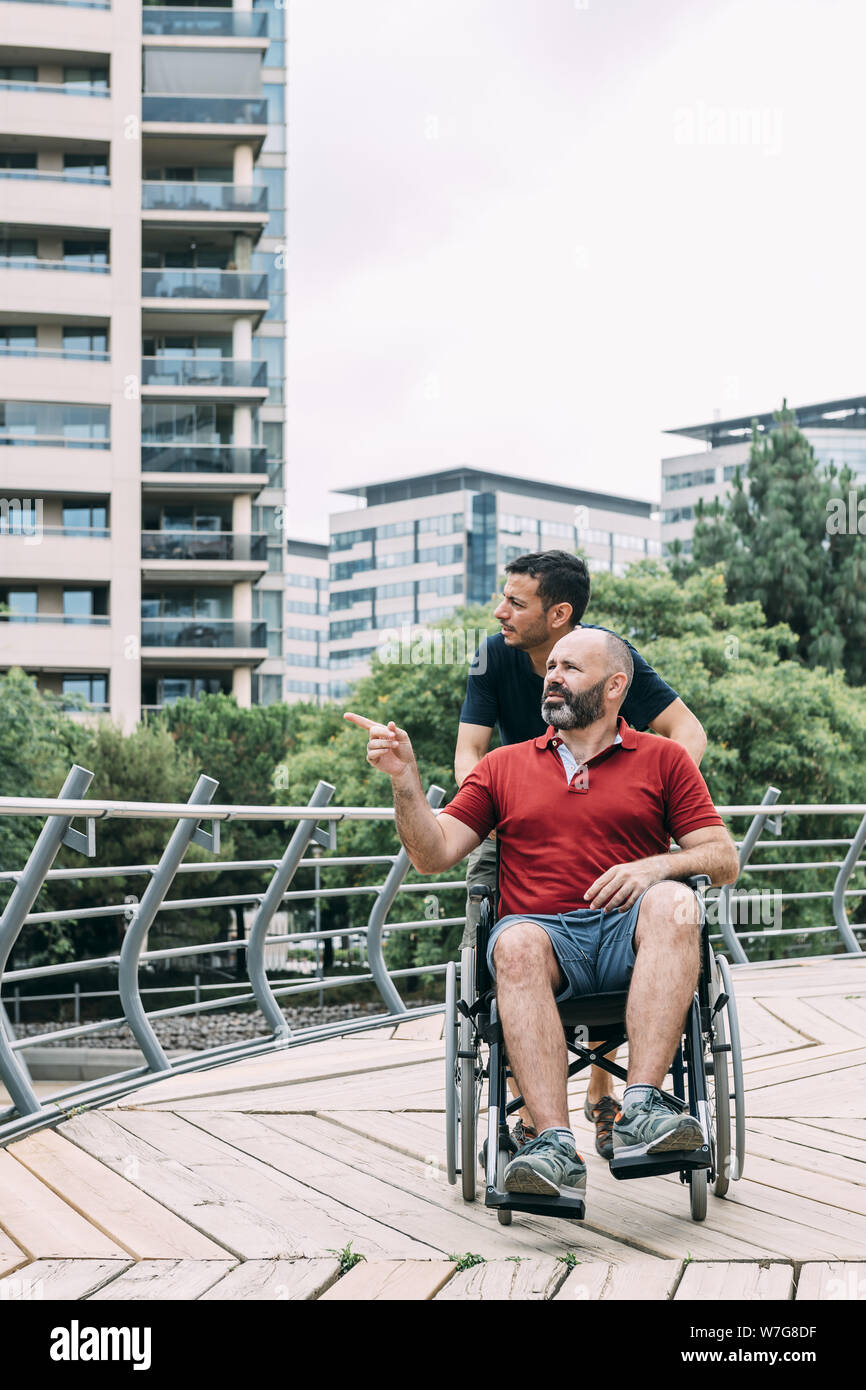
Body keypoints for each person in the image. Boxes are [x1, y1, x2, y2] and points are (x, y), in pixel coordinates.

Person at [344, 625, 738, 1207]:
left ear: (614, 687)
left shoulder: (663, 761)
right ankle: (553, 1144)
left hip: (632, 930)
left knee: (678, 900)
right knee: (514, 944)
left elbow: (722, 857)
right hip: (546, 939)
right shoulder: (502, 767)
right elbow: (432, 855)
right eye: (550, 666)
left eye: (570, 668)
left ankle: (644, 1107)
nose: (552, 676)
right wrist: (405, 782)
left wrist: (652, 868)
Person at [456, 549, 707, 1159]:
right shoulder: (493, 654)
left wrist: (653, 799)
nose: (500, 613)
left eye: (516, 603)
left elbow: (688, 732)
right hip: (517, 798)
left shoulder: (608, 657)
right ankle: (530, 1106)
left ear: (559, 613)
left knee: (632, 908)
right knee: (497, 924)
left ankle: (608, 1091)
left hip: (607, 803)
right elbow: (470, 749)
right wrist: (487, 813)